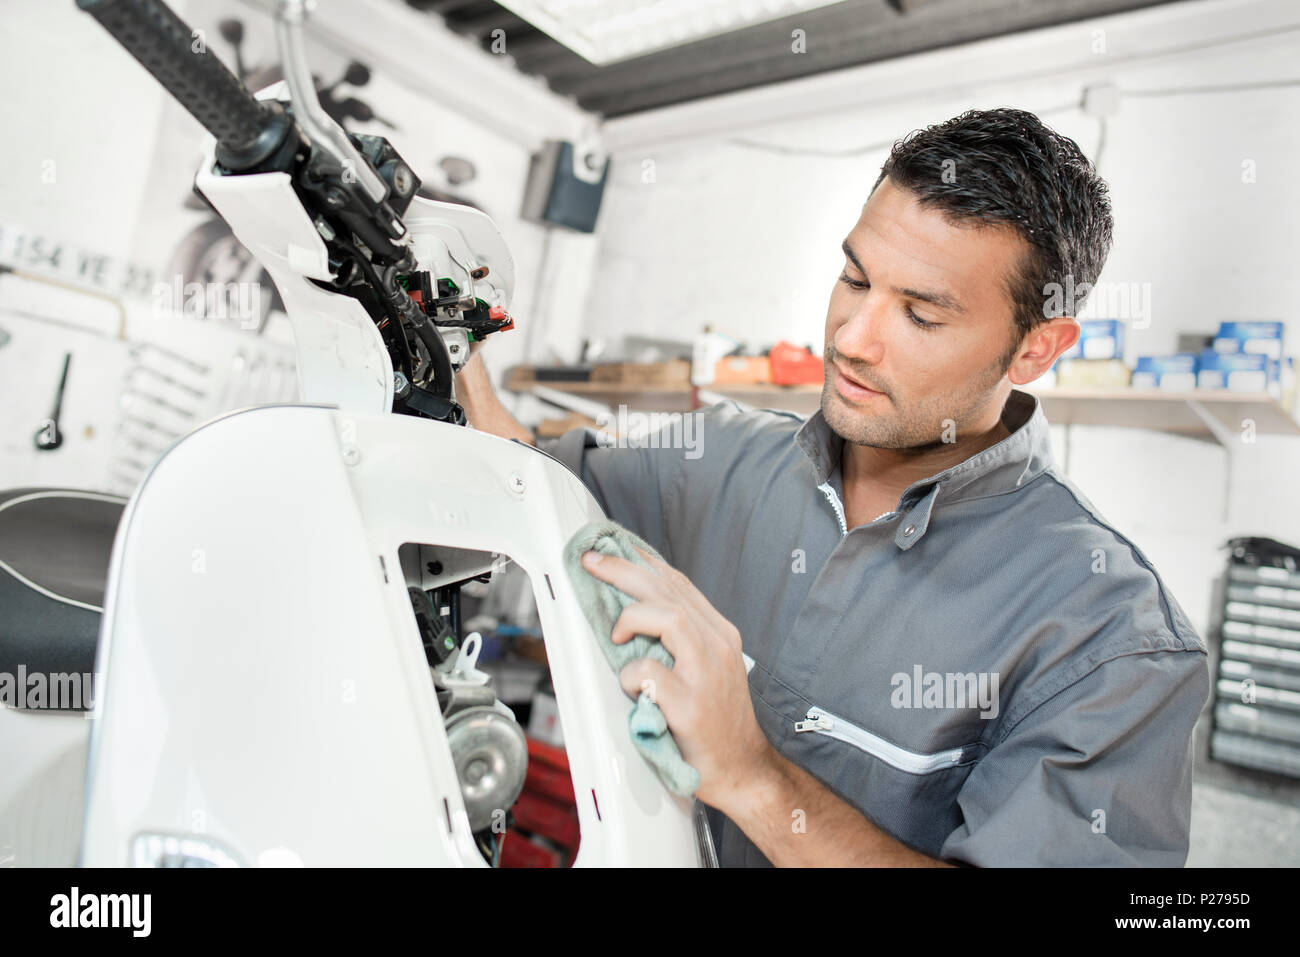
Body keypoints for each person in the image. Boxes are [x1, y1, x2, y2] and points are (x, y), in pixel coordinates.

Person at [456, 107, 1211, 867]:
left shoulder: (1112, 639)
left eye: (919, 313)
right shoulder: (720, 458)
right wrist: (455, 343)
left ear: (1036, 348)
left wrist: (751, 774)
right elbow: (522, 479)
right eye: (855, 278)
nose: (850, 337)